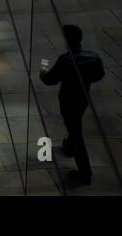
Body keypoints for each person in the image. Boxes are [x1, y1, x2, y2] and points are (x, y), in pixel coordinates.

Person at [39, 25, 105, 186]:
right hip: (82, 98)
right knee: (75, 123)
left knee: (76, 131)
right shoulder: (94, 57)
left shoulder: (65, 59)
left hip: (68, 100)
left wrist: (43, 70)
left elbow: (50, 80)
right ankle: (69, 146)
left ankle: (85, 172)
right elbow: (99, 75)